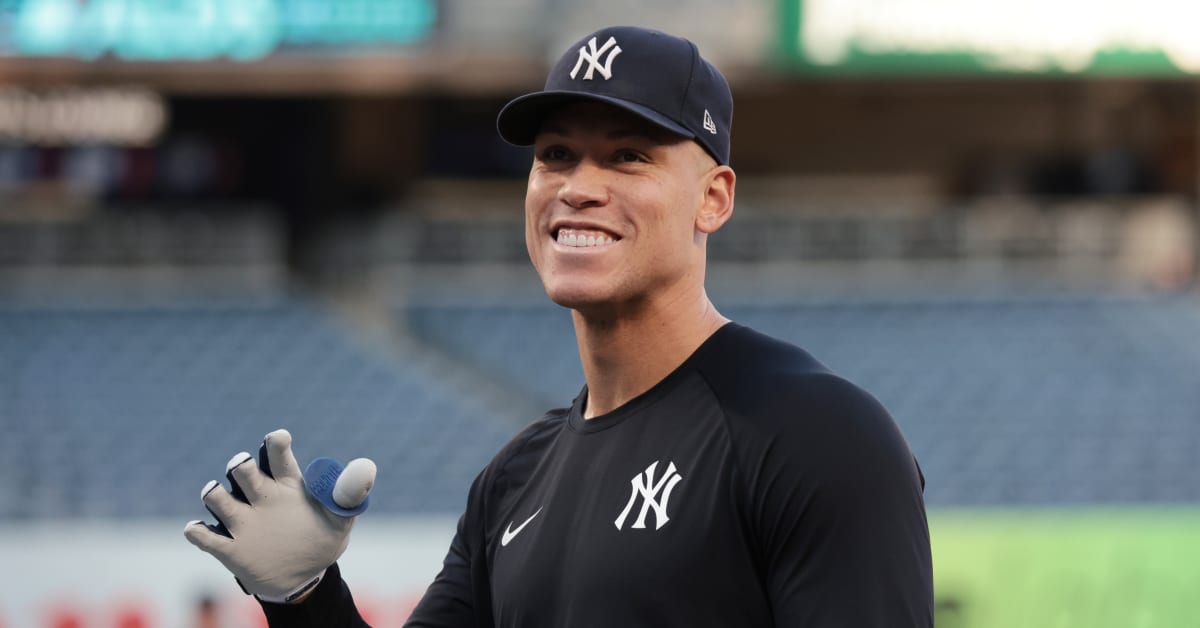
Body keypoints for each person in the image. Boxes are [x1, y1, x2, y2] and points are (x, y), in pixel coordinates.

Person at [184, 25, 934, 627]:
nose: (578, 188)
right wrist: (305, 596)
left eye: (628, 157)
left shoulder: (815, 433)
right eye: (557, 156)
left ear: (713, 198)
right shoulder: (516, 477)